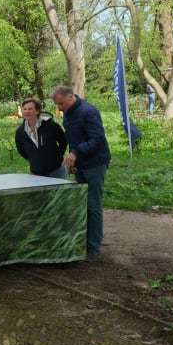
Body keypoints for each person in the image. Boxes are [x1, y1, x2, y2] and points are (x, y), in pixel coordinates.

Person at [50, 85, 111, 261]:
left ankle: (93, 248)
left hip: (94, 164)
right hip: (80, 164)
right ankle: (83, 242)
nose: (59, 108)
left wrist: (76, 153)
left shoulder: (88, 111)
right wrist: (72, 160)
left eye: (61, 104)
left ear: (70, 97)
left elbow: (97, 139)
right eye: (57, 105)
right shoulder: (68, 113)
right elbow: (73, 139)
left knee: (93, 205)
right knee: (82, 206)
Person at [14, 97, 67, 178]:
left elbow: (63, 141)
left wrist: (56, 157)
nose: (27, 111)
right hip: (36, 173)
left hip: (56, 171)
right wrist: (34, 159)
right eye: (25, 109)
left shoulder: (51, 125)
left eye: (30, 109)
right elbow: (21, 150)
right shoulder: (20, 131)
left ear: (37, 111)